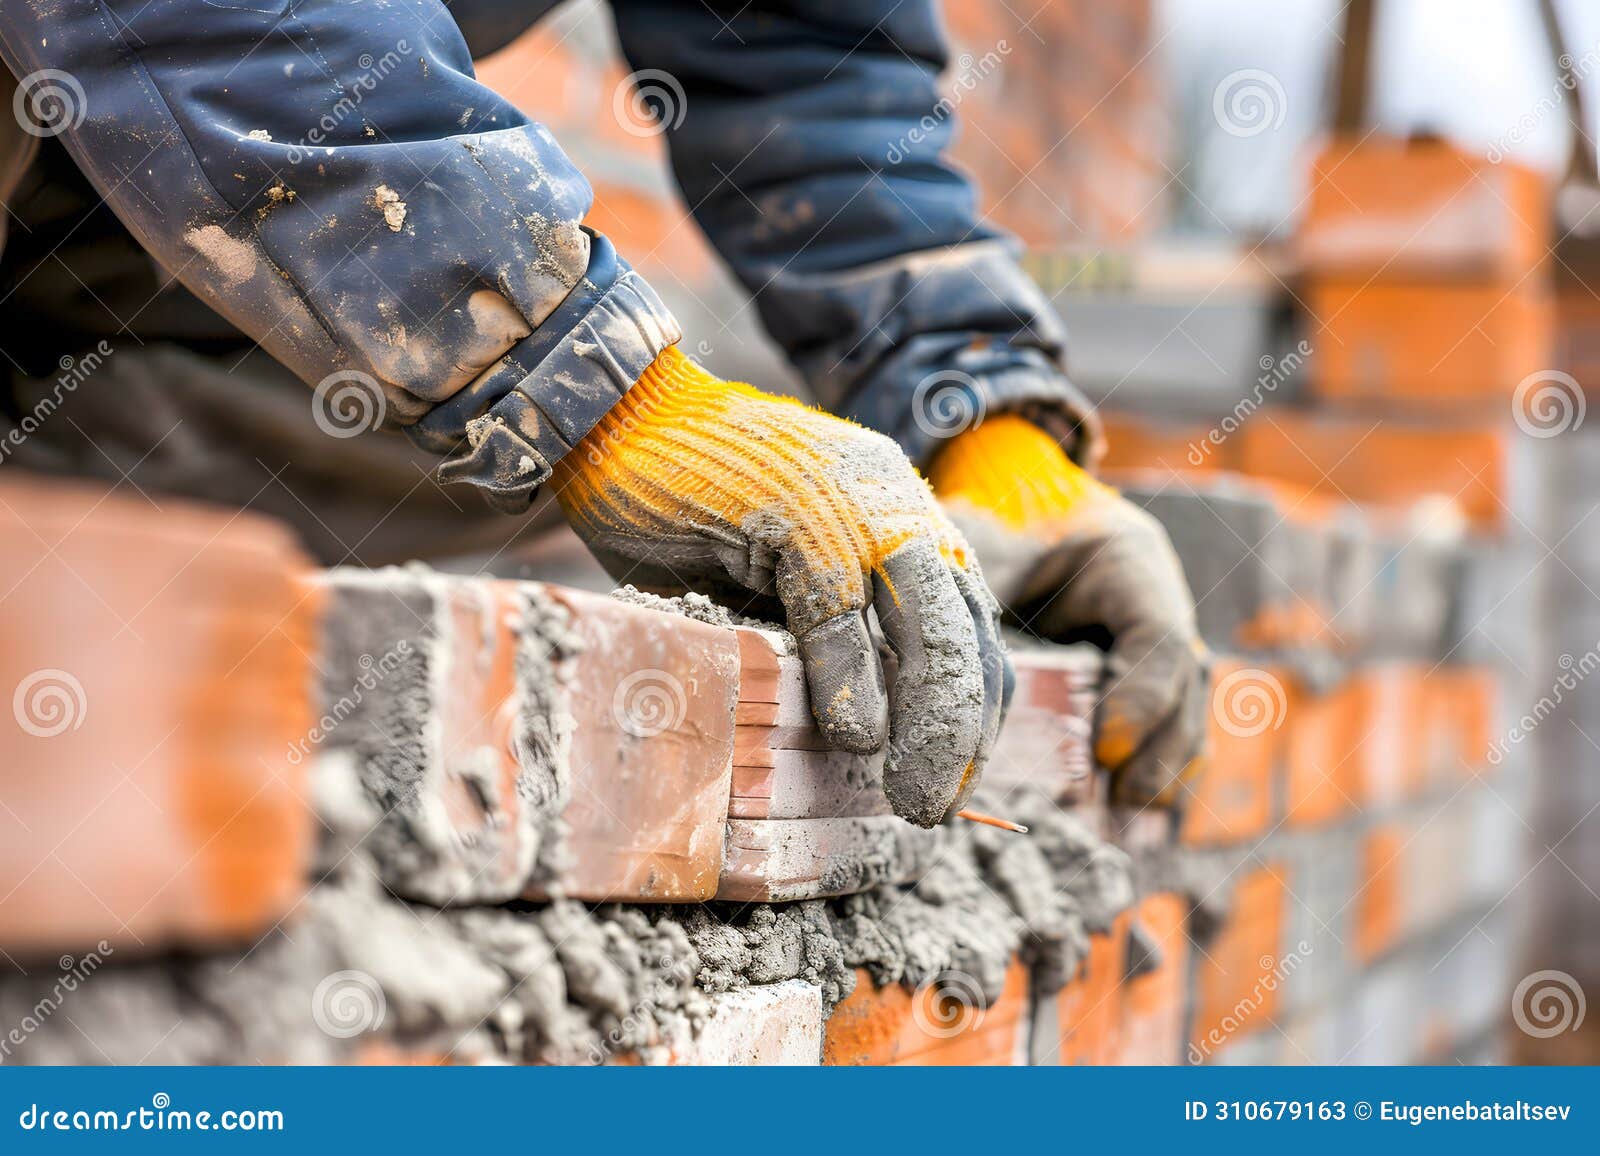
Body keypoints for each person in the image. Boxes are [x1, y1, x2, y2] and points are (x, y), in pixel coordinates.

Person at [0, 0, 1206, 825]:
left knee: (447, 506)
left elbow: (805, 48)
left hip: (131, 249)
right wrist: (598, 394)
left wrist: (975, 410)